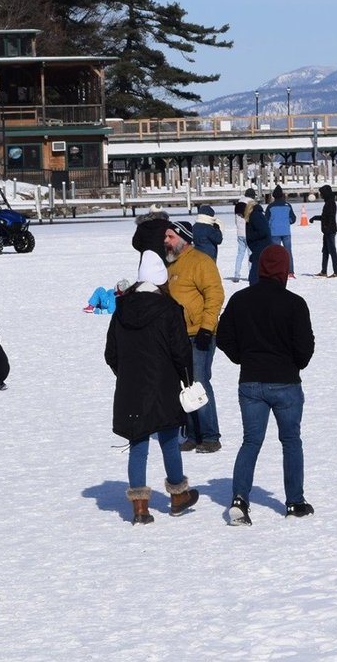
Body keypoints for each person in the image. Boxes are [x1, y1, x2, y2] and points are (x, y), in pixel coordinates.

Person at [216, 244, 316, 525]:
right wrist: (294, 363)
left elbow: (222, 336)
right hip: (286, 382)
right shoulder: (295, 304)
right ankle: (295, 502)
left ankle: (239, 499)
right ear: (284, 270)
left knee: (251, 441)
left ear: (260, 268)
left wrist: (242, 357)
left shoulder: (240, 300)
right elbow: (305, 348)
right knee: (291, 441)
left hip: (250, 382)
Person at [104, 250, 201, 524]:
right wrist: (187, 380)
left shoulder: (121, 309)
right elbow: (182, 352)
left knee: (138, 444)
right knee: (169, 441)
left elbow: (111, 354)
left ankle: (139, 509)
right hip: (164, 386)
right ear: (161, 280)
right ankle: (178, 496)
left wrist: (126, 376)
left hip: (131, 389)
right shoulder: (170, 310)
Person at [164, 222, 225, 454]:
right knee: (185, 386)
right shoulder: (169, 265)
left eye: (169, 236)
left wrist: (207, 328)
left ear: (182, 238)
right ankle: (192, 433)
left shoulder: (201, 261)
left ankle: (210, 436)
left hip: (199, 335)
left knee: (199, 383)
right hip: (177, 337)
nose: (166, 241)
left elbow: (215, 294)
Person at [266, 185, 297, 275]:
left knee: (275, 253)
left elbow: (266, 220)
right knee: (288, 252)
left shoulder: (270, 206)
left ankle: (276, 270)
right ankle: (290, 271)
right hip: (286, 232)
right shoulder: (288, 205)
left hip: (274, 232)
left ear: (274, 196)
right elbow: (293, 219)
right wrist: (287, 222)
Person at [245, 189, 273, 285]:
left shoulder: (255, 216)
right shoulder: (257, 215)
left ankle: (254, 286)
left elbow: (263, 231)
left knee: (255, 269)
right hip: (261, 246)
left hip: (261, 246)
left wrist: (251, 236)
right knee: (258, 267)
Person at [315, 184, 337, 277]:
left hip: (330, 230)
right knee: (325, 251)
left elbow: (329, 218)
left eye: (321, 193)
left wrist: (326, 227)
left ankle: (336, 271)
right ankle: (324, 271)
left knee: (332, 251)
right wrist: (315, 218)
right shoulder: (328, 202)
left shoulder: (330, 203)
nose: (321, 195)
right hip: (327, 230)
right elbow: (325, 217)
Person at [231, 190, 255, 282]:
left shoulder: (238, 204)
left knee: (240, 254)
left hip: (240, 232)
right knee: (250, 255)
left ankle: (236, 274)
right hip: (248, 233)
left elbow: (236, 220)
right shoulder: (251, 204)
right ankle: (251, 274)